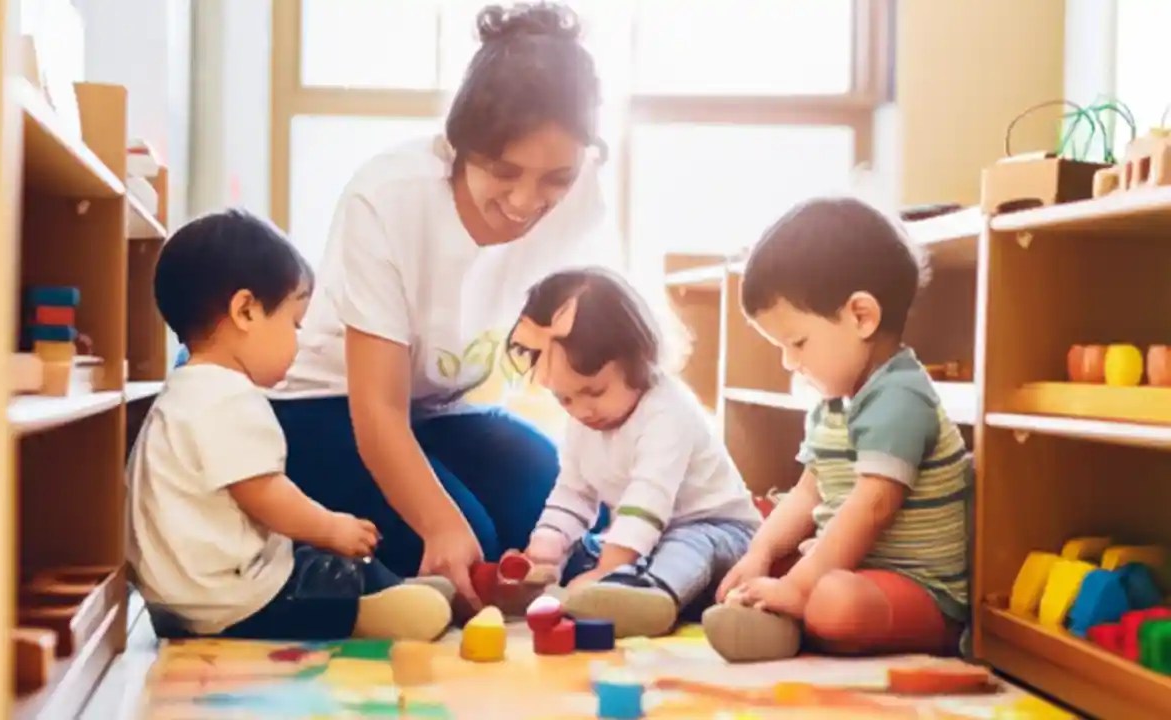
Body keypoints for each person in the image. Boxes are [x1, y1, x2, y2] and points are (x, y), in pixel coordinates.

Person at [267, 1, 612, 611]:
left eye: (555, 178)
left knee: (571, 521)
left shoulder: (581, 195)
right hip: (324, 409)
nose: (528, 201)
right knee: (467, 543)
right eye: (504, 171)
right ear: (462, 143)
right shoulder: (389, 198)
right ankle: (304, 569)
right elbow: (376, 412)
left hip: (438, 411)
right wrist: (440, 525)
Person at [127, 209, 452, 642]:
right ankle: (377, 608)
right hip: (237, 602)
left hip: (180, 602)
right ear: (245, 311)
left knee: (304, 555)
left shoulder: (183, 393)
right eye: (294, 323)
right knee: (325, 564)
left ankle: (390, 591)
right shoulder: (227, 398)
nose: (299, 341)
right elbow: (264, 493)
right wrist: (331, 527)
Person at [705, 197, 972, 660]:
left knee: (834, 602)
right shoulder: (834, 402)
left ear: (861, 316)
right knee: (746, 565)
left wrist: (801, 586)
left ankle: (801, 617)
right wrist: (761, 555)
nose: (791, 362)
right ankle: (785, 612)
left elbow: (871, 507)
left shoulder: (900, 396)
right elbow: (809, 494)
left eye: (798, 343)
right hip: (853, 568)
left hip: (918, 590)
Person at [508, 268, 762, 638]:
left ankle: (648, 597)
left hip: (719, 532)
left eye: (594, 391)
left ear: (639, 359)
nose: (581, 410)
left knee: (685, 546)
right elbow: (573, 492)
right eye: (564, 398)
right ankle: (521, 592)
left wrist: (606, 570)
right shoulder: (585, 420)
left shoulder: (667, 411)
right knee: (586, 548)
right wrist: (546, 547)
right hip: (648, 538)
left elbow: (648, 497)